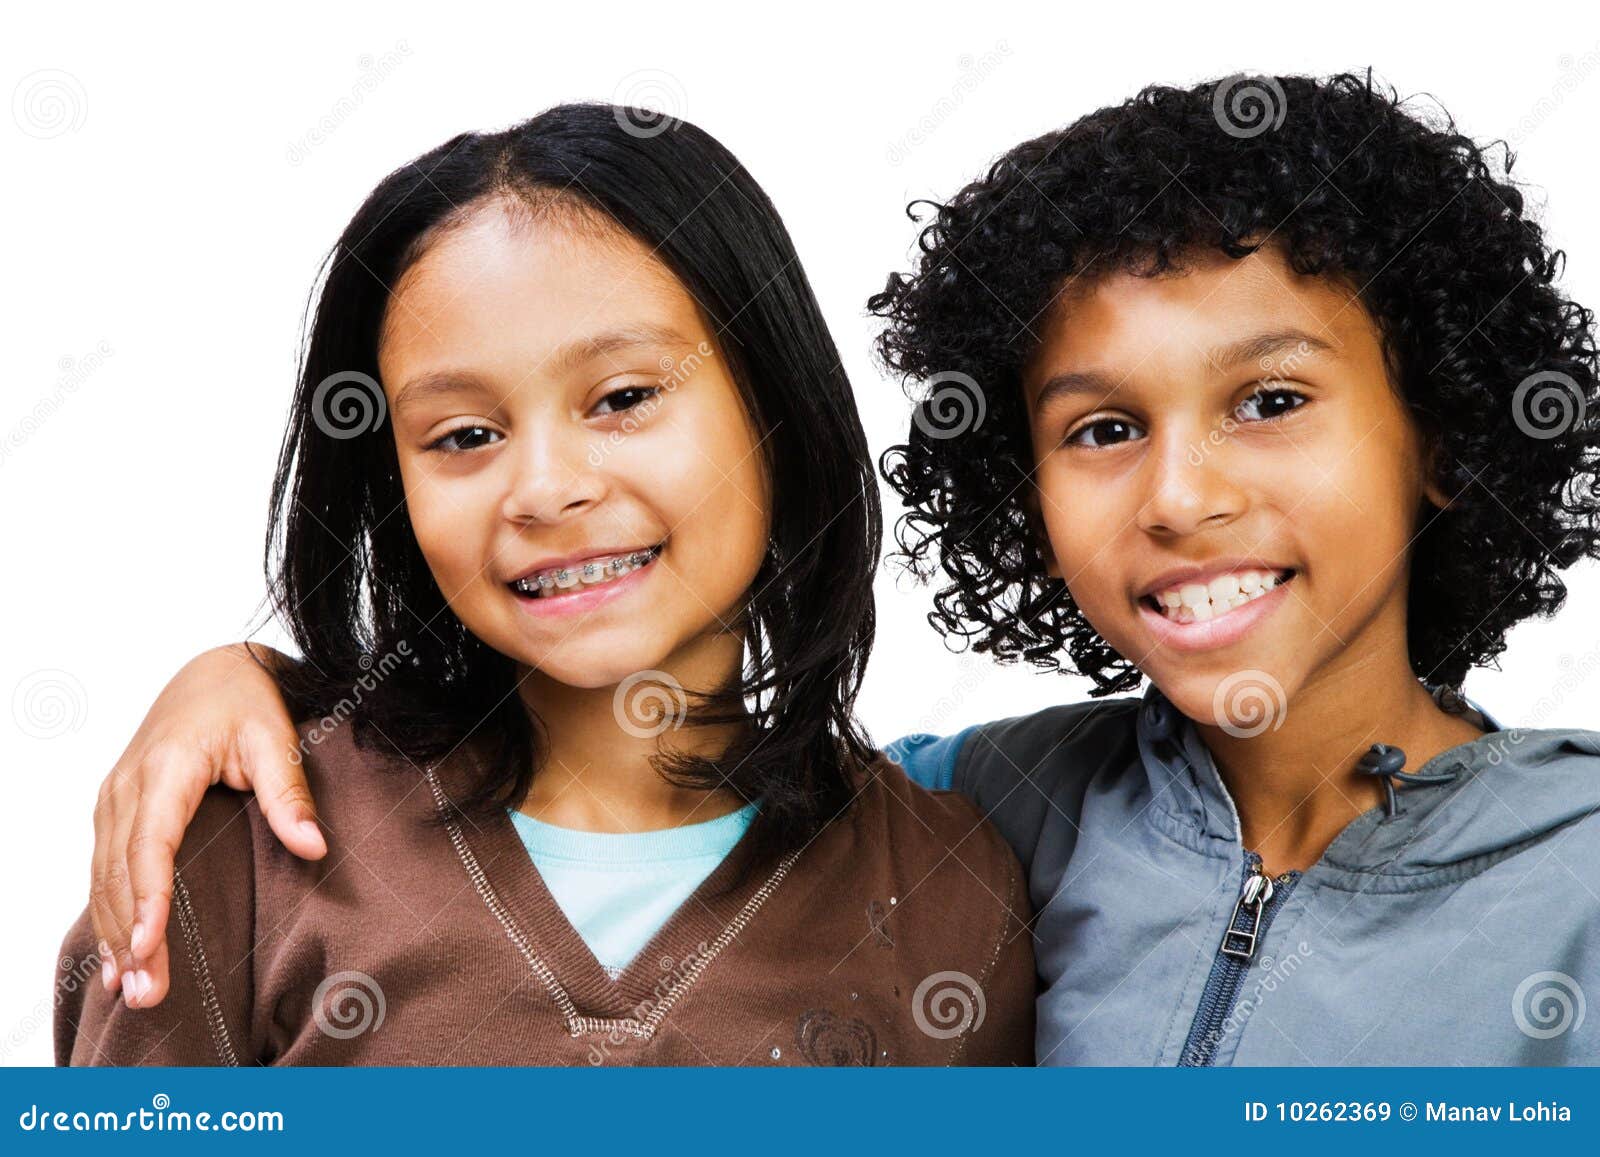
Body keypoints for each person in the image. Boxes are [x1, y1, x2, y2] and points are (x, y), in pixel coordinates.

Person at [54, 103, 1034, 1066]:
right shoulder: (234, 842)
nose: (545, 489)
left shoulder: (952, 893)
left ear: (776, 410)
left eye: (623, 398)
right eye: (465, 436)